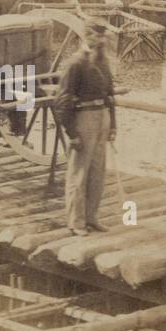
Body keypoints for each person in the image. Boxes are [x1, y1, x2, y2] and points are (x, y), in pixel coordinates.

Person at [54, 21, 116, 235]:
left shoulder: (104, 62)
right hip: (84, 118)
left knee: (98, 171)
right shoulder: (75, 63)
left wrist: (113, 126)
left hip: (102, 117)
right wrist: (72, 133)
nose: (100, 40)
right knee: (79, 172)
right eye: (96, 36)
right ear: (86, 36)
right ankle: (76, 222)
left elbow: (110, 96)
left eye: (102, 36)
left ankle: (92, 217)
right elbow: (62, 101)